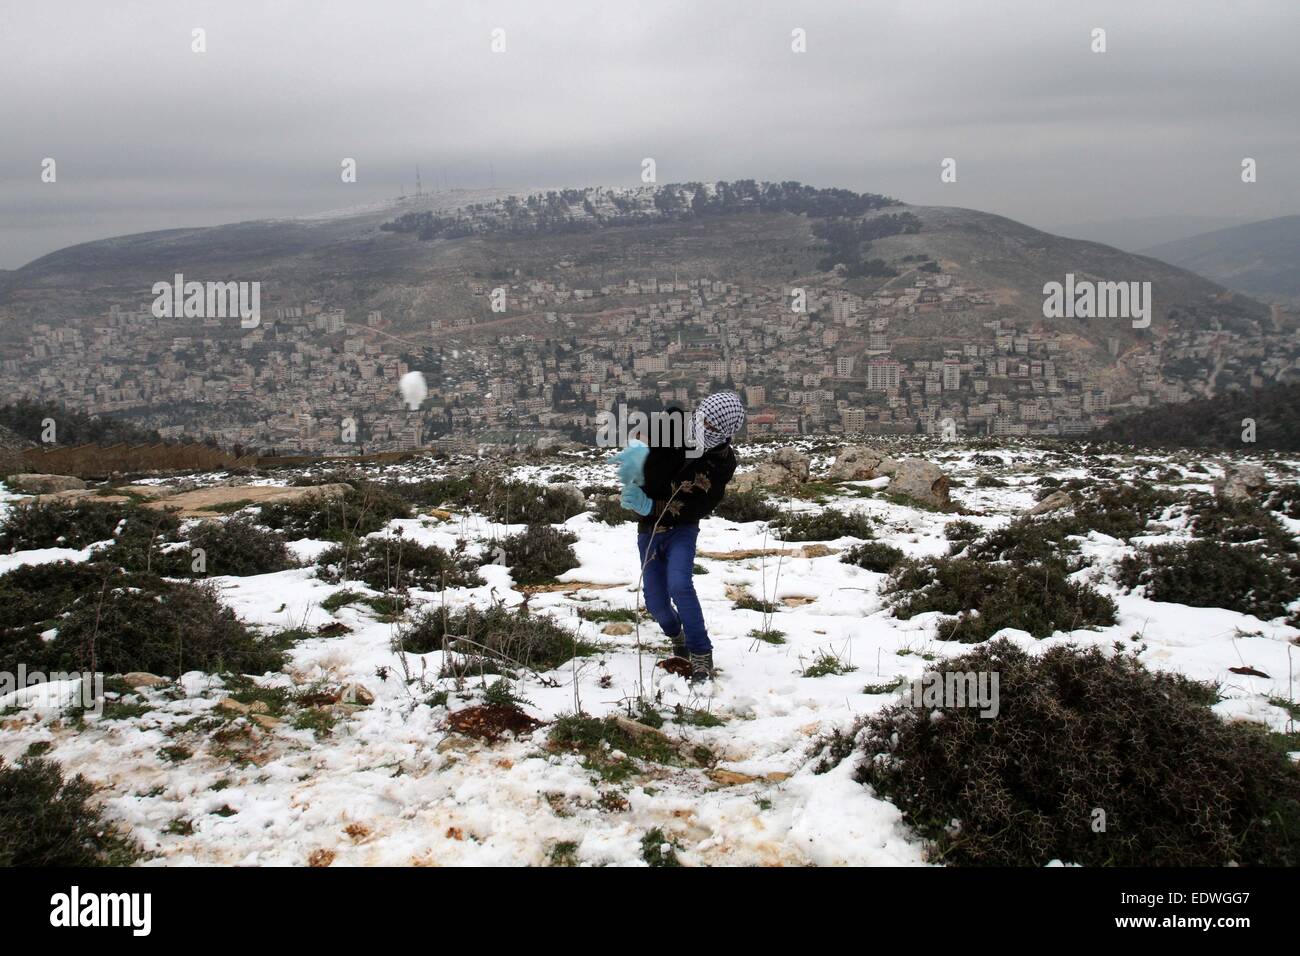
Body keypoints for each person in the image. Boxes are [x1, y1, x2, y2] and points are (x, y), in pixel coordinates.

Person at [613, 392, 745, 683]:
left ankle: (701, 653)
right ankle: (677, 636)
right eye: (702, 417)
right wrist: (637, 456)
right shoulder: (676, 427)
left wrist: (650, 506)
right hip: (649, 530)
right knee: (655, 601)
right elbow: (643, 446)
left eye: (711, 426)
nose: (703, 426)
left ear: (725, 432)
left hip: (683, 528)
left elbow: (700, 504)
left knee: (680, 585)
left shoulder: (720, 464)